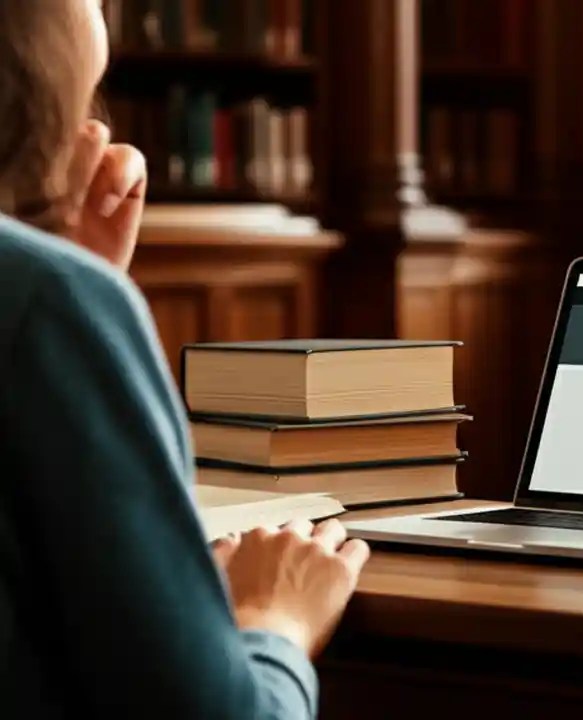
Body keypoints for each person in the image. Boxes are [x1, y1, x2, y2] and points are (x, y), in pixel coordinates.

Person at [0, 2, 370, 717]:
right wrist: (278, 623)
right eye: (84, 92)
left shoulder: (48, 293)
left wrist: (73, 268)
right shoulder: (46, 299)